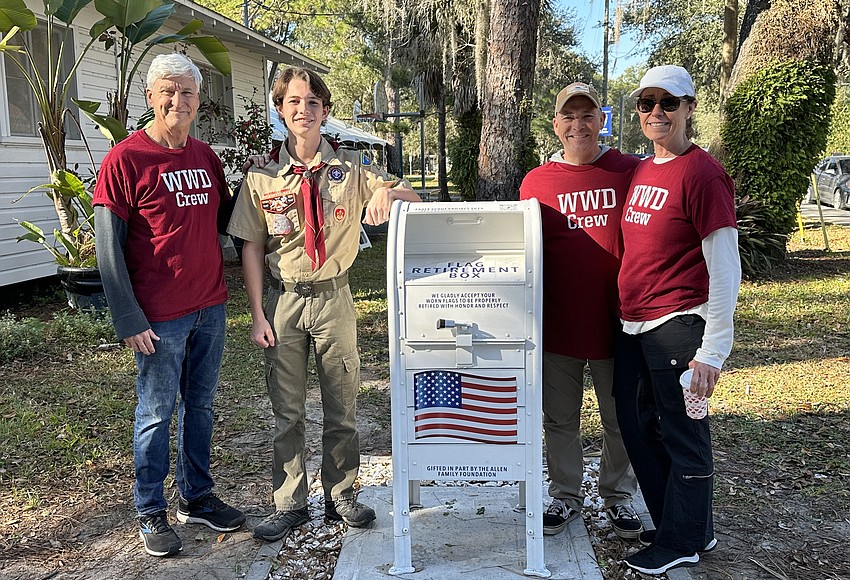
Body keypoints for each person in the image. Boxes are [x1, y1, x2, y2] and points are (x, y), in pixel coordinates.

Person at [227, 67, 421, 542]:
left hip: (335, 297)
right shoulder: (262, 173)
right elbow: (250, 246)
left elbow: (409, 196)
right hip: (284, 301)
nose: (303, 110)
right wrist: (256, 315)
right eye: (294, 102)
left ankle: (342, 494)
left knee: (342, 403)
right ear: (280, 109)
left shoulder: (352, 168)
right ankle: (290, 503)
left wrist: (386, 194)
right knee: (287, 410)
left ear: (326, 111)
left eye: (313, 102)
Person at [93, 53, 245, 558]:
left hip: (211, 306)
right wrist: (127, 316)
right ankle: (149, 509)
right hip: (159, 316)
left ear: (199, 101)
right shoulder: (125, 159)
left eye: (187, 93)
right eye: (168, 91)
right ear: (150, 97)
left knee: (200, 407)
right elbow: (107, 247)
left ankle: (197, 496)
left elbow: (230, 220)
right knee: (157, 413)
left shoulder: (205, 158)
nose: (177, 101)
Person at [613, 65, 741, 575]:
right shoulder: (646, 170)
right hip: (635, 323)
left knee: (683, 433)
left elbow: (726, 267)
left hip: (679, 322)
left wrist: (712, 352)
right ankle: (685, 524)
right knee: (637, 424)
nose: (657, 112)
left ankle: (681, 540)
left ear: (690, 108)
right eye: (647, 103)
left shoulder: (702, 173)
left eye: (669, 102)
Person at [519, 83, 642, 539]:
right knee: (560, 419)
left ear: (601, 120)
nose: (578, 124)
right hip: (557, 325)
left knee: (619, 418)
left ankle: (619, 497)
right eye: (568, 116)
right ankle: (566, 495)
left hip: (618, 322)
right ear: (556, 125)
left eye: (587, 115)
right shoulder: (536, 183)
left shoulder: (629, 170)